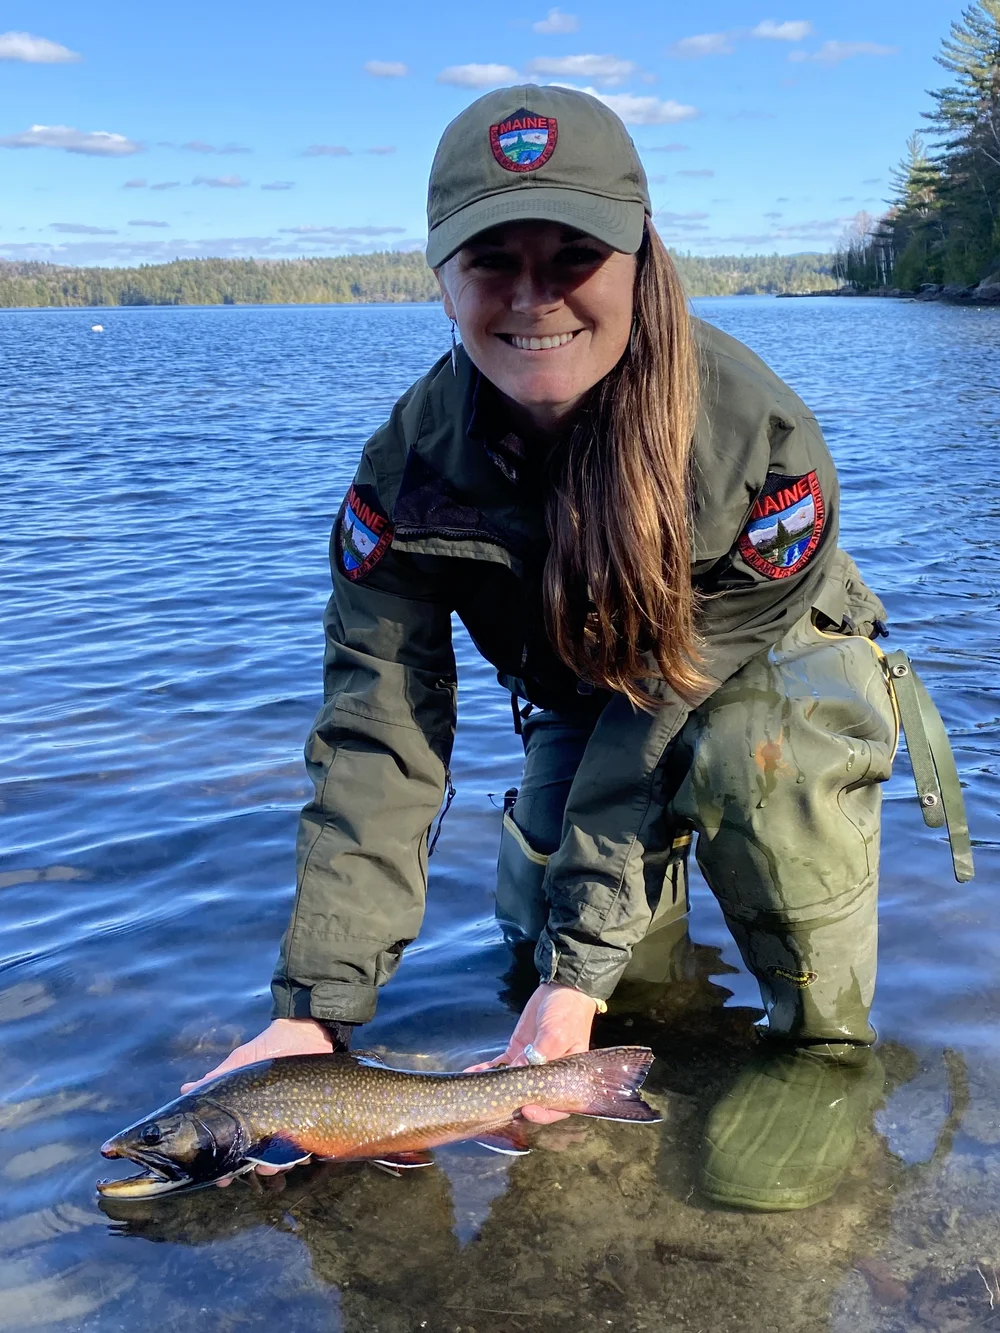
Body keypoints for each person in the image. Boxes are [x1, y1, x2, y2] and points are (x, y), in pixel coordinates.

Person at [186, 85, 972, 1211]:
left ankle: (819, 1049)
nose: (533, 298)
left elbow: (669, 703)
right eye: (492, 259)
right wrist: (315, 1009)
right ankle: (633, 1036)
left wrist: (575, 963)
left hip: (761, 667)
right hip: (587, 681)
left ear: (642, 261)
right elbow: (378, 740)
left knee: (757, 768)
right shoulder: (403, 477)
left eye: (573, 256)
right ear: (440, 276)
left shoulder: (759, 449)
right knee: (592, 969)